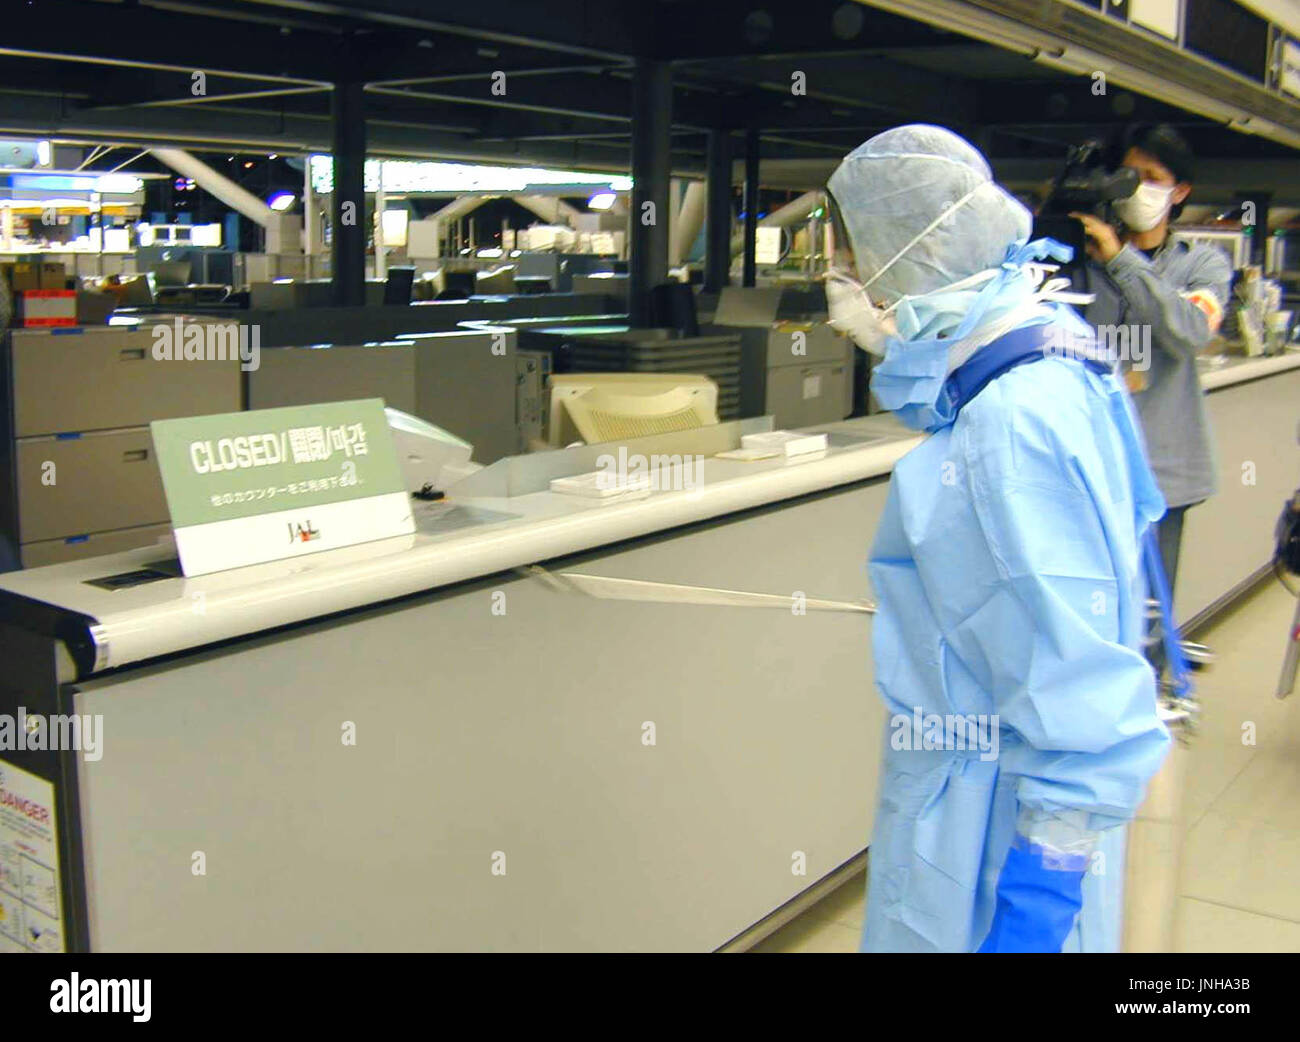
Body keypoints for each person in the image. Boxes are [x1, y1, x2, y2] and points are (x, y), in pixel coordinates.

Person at [824, 125, 1171, 953]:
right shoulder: (1051, 359)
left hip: (991, 833)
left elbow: (1075, 690)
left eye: (848, 259)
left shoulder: (1008, 427)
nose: (841, 283)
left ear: (905, 261)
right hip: (985, 794)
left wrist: (1036, 908)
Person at [1074, 123, 1232, 595]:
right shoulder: (1081, 259)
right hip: (1088, 464)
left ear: (1180, 191)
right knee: (1091, 599)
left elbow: (1190, 332)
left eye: (1152, 176)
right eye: (1128, 174)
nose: (1136, 186)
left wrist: (1121, 259)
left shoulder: (1202, 264)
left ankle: (1155, 670)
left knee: (1148, 605)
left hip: (1162, 467)